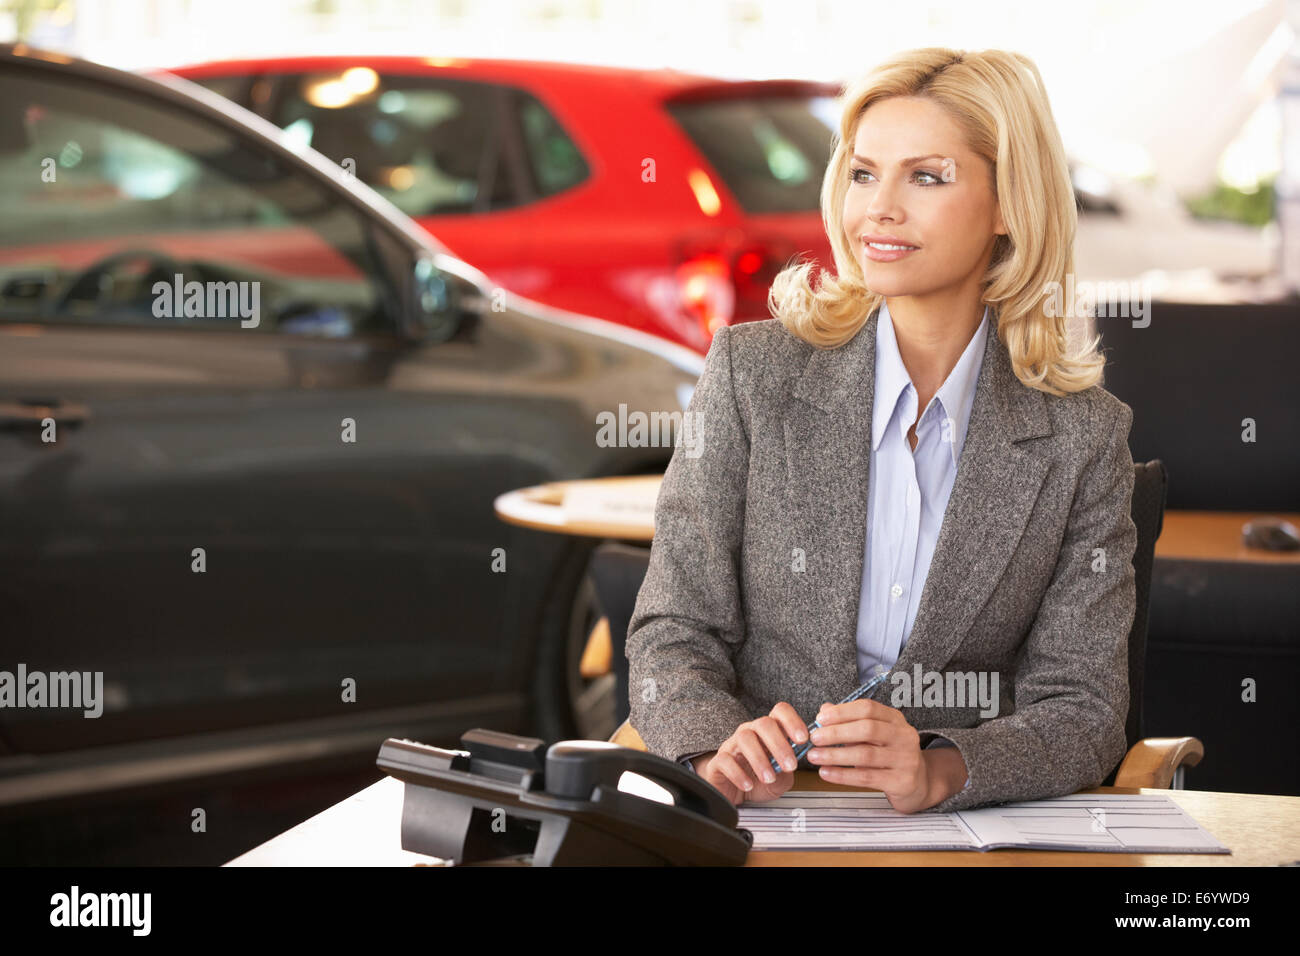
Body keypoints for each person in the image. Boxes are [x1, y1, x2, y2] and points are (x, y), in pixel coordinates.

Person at [625, 47, 1138, 814]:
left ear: (1010, 205)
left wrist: (945, 770)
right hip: (763, 817)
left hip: (954, 833)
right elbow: (672, 627)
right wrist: (709, 747)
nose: (878, 209)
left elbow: (1086, 707)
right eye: (864, 173)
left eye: (926, 176)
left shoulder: (1082, 436)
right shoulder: (753, 375)